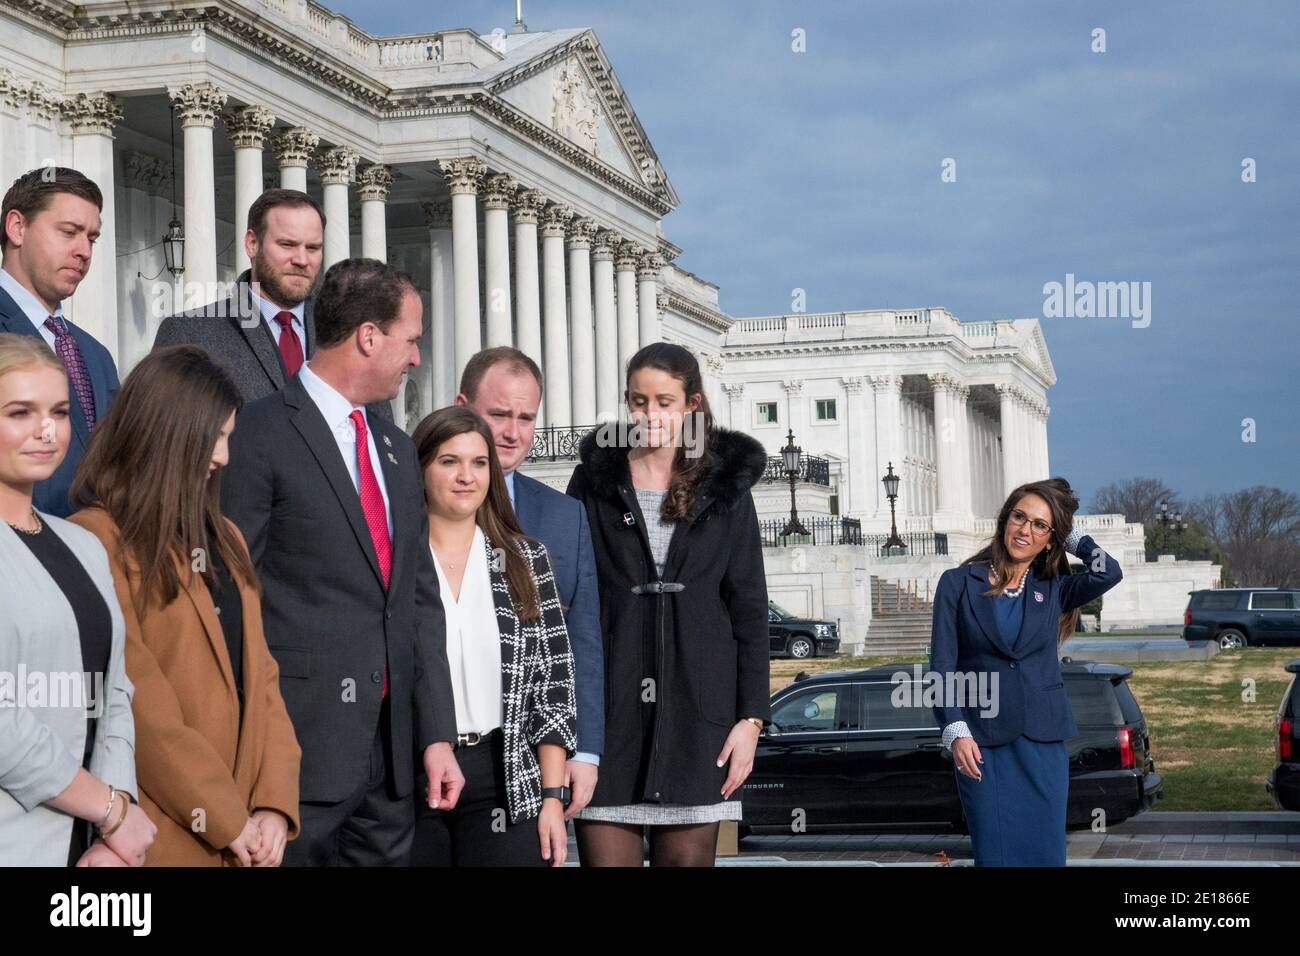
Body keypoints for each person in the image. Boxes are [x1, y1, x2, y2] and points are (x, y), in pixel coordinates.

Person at [221, 257, 462, 865]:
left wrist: (434, 734)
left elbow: (416, 603)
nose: (414, 359)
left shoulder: (399, 451)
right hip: (297, 756)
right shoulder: (259, 431)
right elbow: (230, 594)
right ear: (369, 337)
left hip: (392, 768)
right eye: (411, 341)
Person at [69, 346, 302, 866]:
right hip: (163, 835)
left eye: (228, 438)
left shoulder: (230, 539)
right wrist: (224, 816)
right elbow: (140, 705)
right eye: (213, 438)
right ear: (168, 433)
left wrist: (274, 805)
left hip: (246, 834)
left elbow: (264, 679)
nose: (223, 457)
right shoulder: (97, 537)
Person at [565, 342, 771, 866]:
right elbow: (569, 597)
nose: (649, 415)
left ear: (691, 406)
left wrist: (750, 720)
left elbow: (748, 609)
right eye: (638, 402)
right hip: (611, 725)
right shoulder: (594, 480)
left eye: (663, 402)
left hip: (698, 726)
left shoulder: (726, 490)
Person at [0, 333, 154, 866]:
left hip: (92, 849)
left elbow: (116, 690)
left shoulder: (83, 545)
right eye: (20, 412)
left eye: (60, 412)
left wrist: (114, 830)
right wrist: (109, 809)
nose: (46, 431)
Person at [408, 406, 577, 866]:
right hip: (410, 781)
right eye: (449, 461)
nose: (466, 476)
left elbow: (553, 687)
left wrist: (552, 798)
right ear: (420, 467)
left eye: (479, 463)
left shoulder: (525, 560)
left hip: (503, 778)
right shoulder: (394, 562)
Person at [929, 478, 1124, 866]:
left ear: (1051, 540)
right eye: (1020, 517)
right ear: (1005, 520)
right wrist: (955, 731)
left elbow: (1108, 572)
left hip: (1042, 740)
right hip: (981, 744)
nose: (1025, 529)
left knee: (1046, 854)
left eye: (1039, 525)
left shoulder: (1055, 588)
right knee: (996, 853)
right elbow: (942, 667)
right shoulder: (957, 584)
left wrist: (1074, 537)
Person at [454, 347, 603, 816]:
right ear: (462, 408)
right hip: (435, 754)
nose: (513, 433)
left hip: (533, 756)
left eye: (526, 417)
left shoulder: (564, 516)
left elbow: (582, 639)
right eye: (498, 415)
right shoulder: (413, 504)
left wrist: (585, 748)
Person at [152, 188, 391, 422]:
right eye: (287, 245)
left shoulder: (351, 334)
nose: (301, 260)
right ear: (252, 244)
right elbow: (165, 441)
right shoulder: (189, 333)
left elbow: (383, 435)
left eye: (312, 248)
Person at [0, 167, 119, 517]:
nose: (84, 251)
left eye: (92, 238)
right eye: (69, 232)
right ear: (17, 228)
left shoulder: (96, 355)